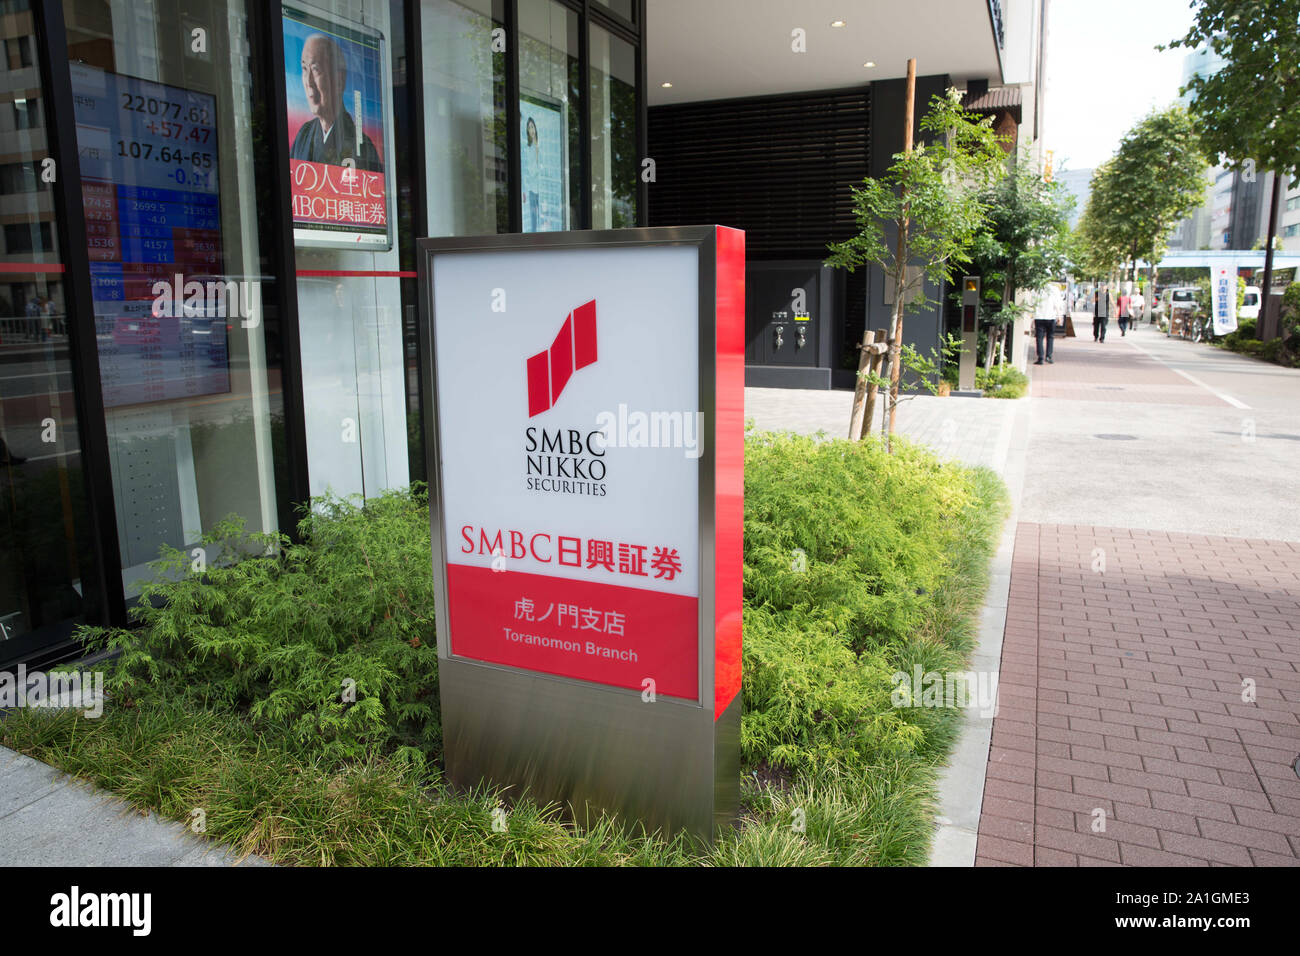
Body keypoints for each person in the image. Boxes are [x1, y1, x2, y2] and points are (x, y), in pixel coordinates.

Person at [290, 33, 384, 173]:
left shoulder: (362, 145)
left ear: (339, 80)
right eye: (304, 69)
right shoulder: (303, 134)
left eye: (316, 69)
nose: (308, 82)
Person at [1034, 284, 1064, 364]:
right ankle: (1048, 356)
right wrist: (1059, 316)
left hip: (1039, 317)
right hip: (1051, 317)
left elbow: (1033, 303)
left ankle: (1040, 358)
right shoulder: (1054, 289)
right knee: (1050, 337)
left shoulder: (1037, 289)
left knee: (1039, 338)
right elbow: (1057, 304)